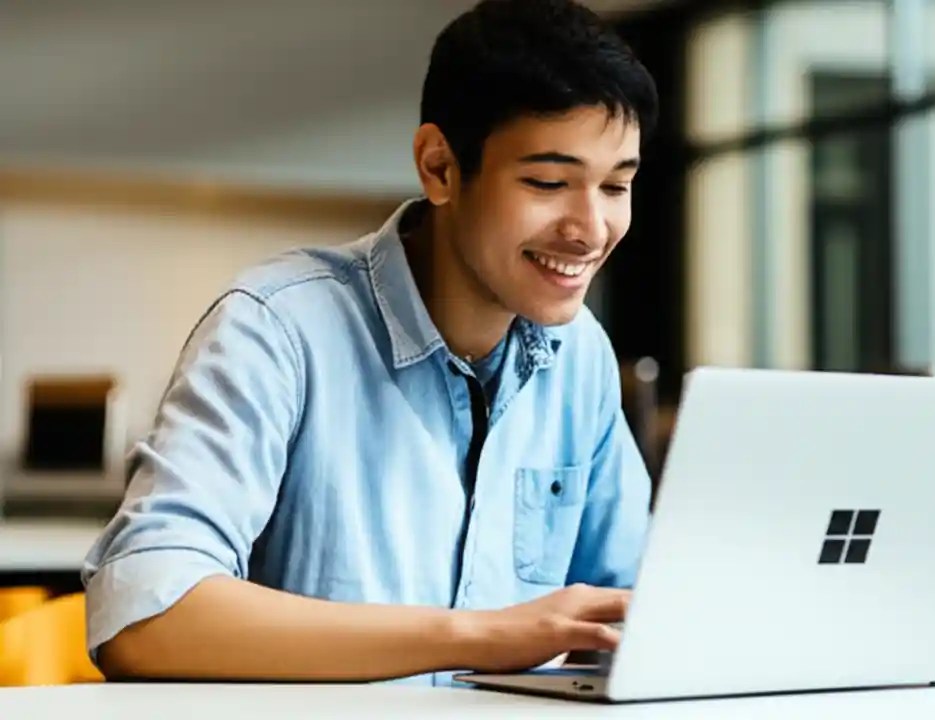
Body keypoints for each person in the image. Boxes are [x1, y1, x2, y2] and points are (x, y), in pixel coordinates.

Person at [82, 0, 657, 685]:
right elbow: (144, 617)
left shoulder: (578, 356)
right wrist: (477, 637)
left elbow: (641, 610)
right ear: (440, 167)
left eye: (617, 185)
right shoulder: (278, 327)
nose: (591, 228)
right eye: (548, 183)